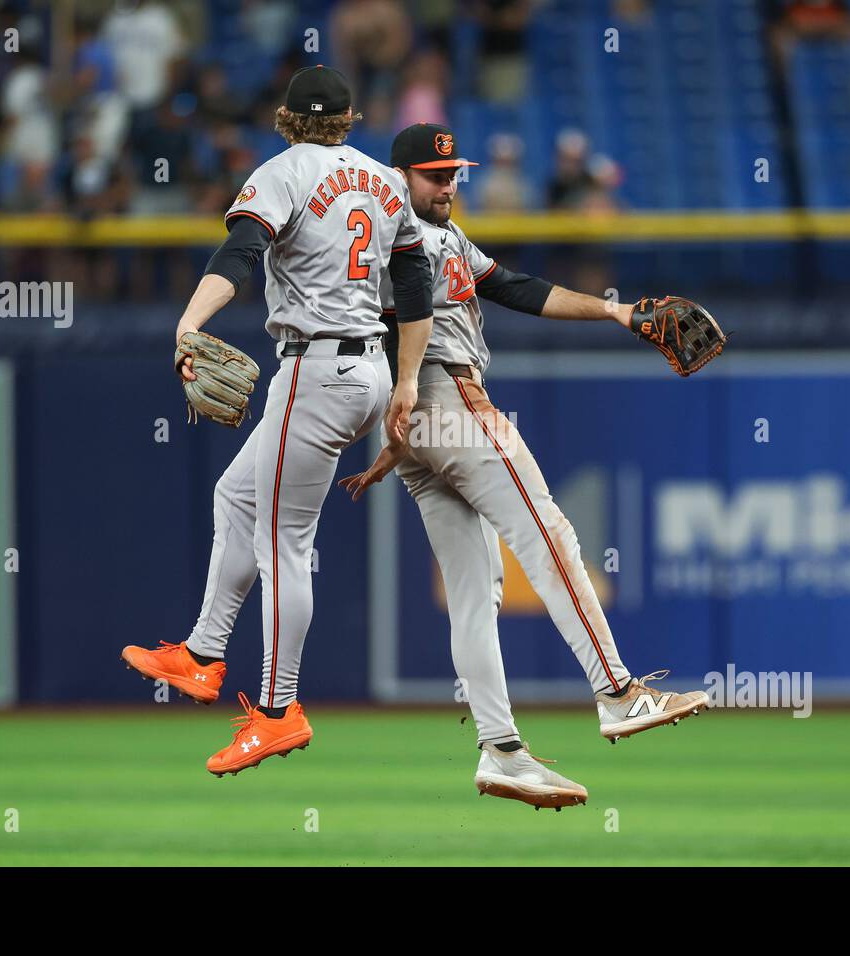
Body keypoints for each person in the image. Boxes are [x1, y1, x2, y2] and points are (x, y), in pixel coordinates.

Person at [338, 124, 710, 809]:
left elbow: (514, 287)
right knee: (550, 536)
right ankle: (619, 693)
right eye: (432, 174)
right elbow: (395, 316)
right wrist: (410, 387)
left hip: (420, 422)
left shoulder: (435, 233)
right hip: (448, 395)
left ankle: (501, 749)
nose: (447, 184)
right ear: (400, 175)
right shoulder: (392, 226)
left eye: (453, 173)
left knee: (475, 594)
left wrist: (616, 311)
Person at [121, 67, 435, 776]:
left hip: (314, 368)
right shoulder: (386, 181)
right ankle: (202, 654)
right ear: (349, 118)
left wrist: (190, 321)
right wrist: (408, 380)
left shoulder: (282, 171)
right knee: (235, 497)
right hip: (370, 370)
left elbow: (239, 252)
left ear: (287, 119)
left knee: (283, 543)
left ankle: (277, 711)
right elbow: (414, 287)